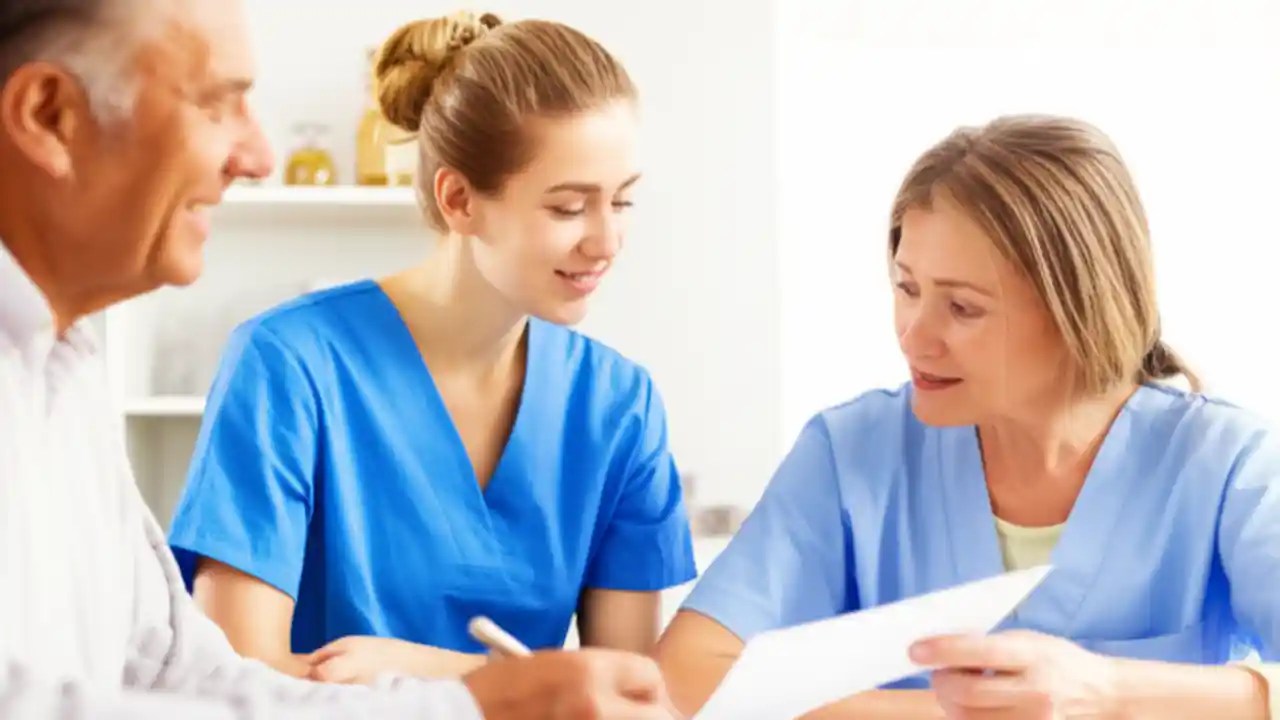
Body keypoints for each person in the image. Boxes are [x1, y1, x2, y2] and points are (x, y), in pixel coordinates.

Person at [0, 0, 678, 718]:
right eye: (215, 105)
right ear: (49, 115)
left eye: (623, 202)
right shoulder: (293, 360)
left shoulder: (61, 374)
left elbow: (180, 667)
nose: (259, 157)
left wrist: (458, 687)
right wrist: (468, 701)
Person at [654, 115, 1280, 719]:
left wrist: (1106, 692)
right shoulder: (852, 453)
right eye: (907, 289)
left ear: (1078, 308)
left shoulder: (1224, 462)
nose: (914, 336)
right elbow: (689, 671)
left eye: (962, 307)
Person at [164, 9, 697, 686]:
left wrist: (437, 675)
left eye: (621, 202)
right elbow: (234, 676)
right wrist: (521, 690)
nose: (607, 241)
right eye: (568, 207)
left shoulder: (618, 405)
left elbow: (626, 696)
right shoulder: (289, 364)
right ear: (459, 200)